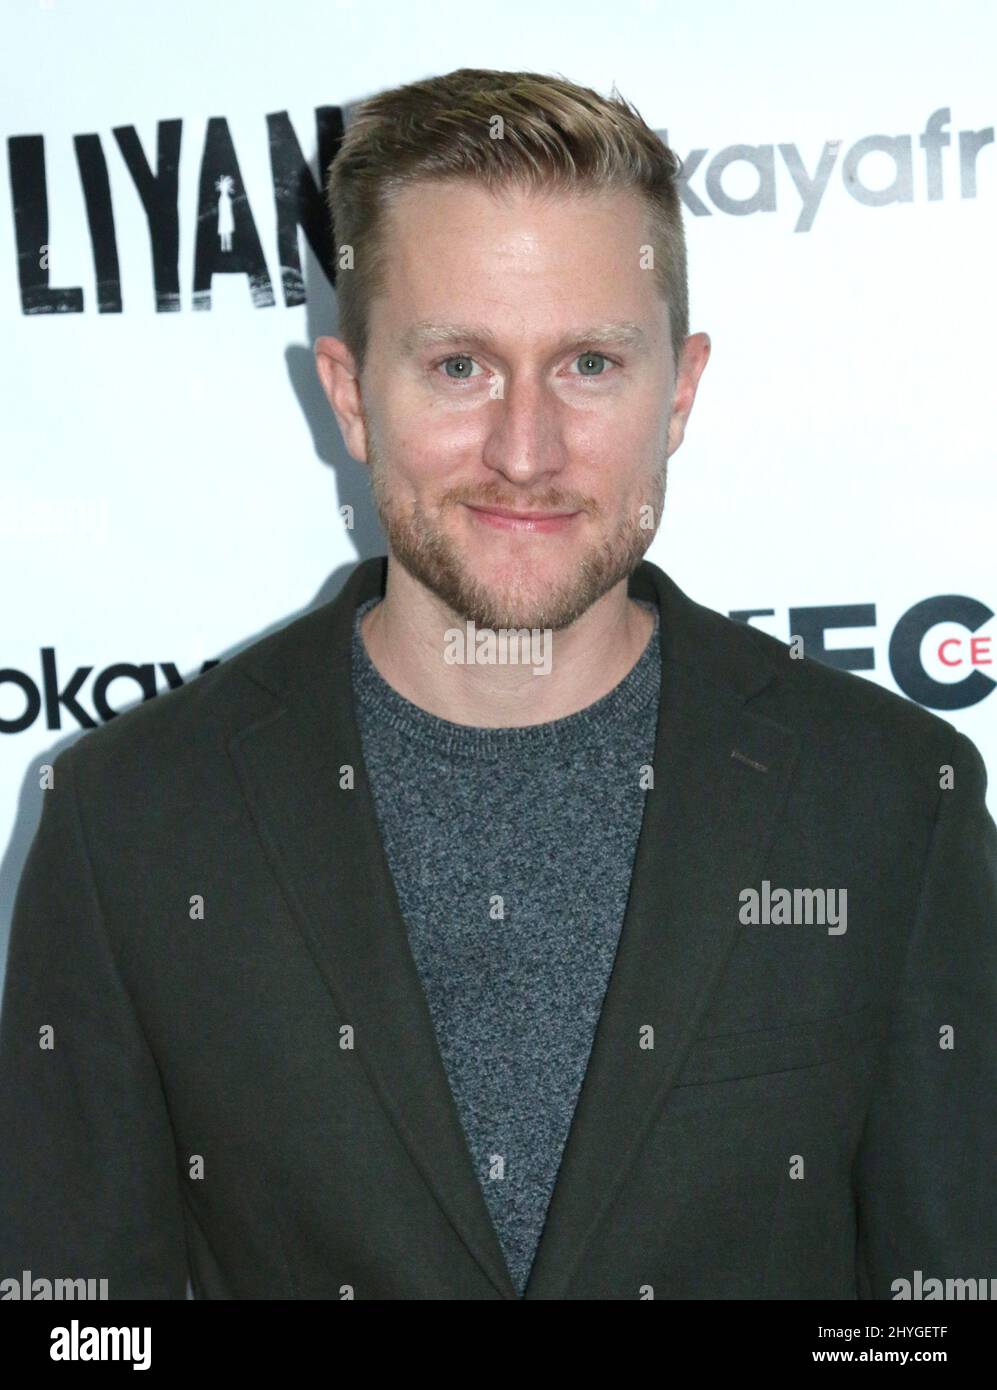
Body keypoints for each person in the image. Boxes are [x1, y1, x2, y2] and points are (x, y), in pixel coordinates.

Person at [1, 67, 994, 1301]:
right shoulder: (128, 819)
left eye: (587, 363)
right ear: (352, 397)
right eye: (459, 365)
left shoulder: (893, 797)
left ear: (677, 392)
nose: (525, 452)